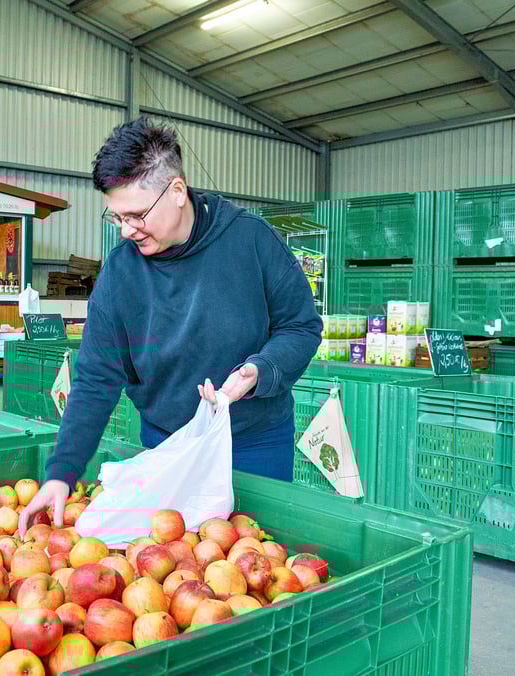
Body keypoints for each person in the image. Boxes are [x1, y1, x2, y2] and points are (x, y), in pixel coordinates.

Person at [18, 117, 322, 535]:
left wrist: (259, 371)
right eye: (117, 217)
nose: (126, 230)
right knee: (175, 567)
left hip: (254, 443)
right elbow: (95, 378)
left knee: (258, 555)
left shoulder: (250, 241)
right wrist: (61, 472)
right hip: (168, 449)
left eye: (137, 215)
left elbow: (301, 327)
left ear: (177, 191)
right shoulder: (122, 273)